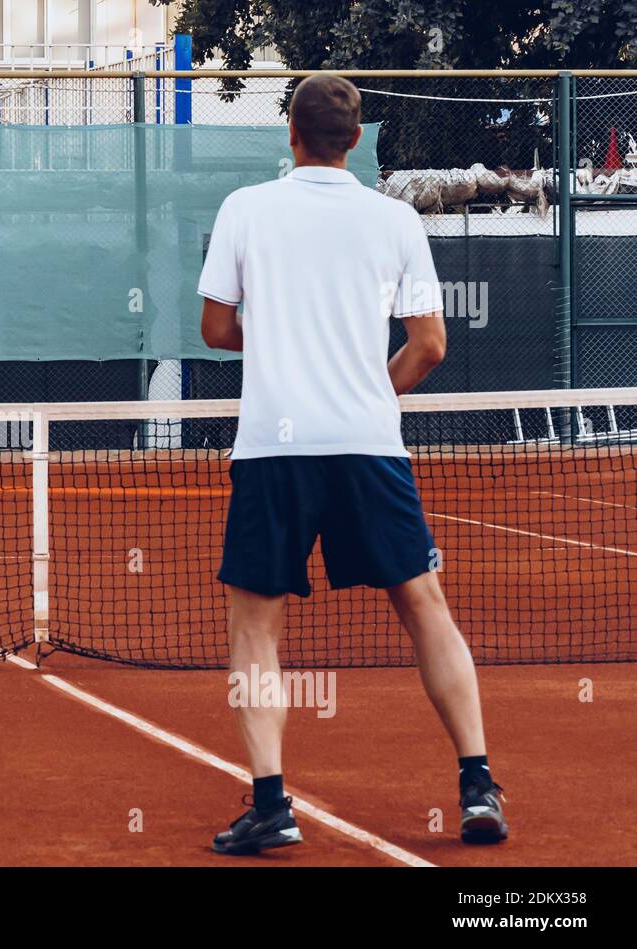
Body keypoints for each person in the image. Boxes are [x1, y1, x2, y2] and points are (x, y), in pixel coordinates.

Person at [199, 73, 508, 854]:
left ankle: (271, 804)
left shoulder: (246, 210)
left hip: (276, 449)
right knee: (425, 604)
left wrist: (279, 345)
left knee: (254, 624)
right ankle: (478, 786)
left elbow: (214, 328)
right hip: (370, 445)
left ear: (291, 135)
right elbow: (431, 344)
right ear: (357, 138)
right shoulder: (395, 219)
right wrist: (369, 390)